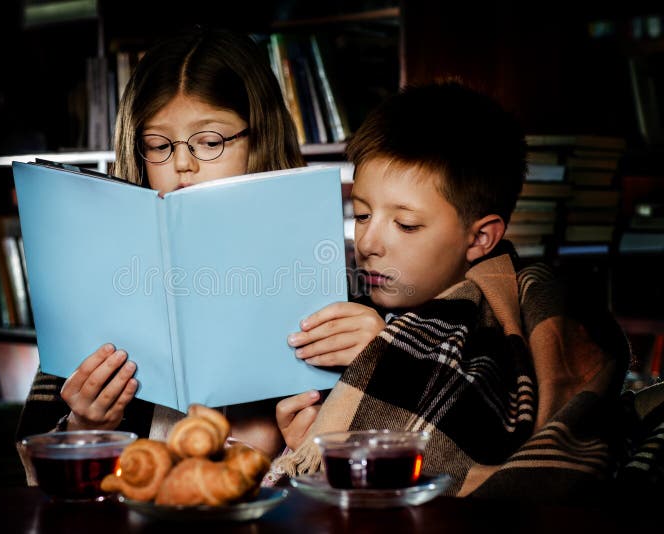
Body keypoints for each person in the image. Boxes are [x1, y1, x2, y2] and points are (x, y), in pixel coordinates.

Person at [267, 80, 633, 502]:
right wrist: (313, 440)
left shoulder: (516, 311)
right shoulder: (349, 306)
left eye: (406, 225)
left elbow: (491, 437)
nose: (368, 243)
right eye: (362, 214)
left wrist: (389, 354)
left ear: (480, 238)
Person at [15, 26, 305, 482]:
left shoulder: (317, 277)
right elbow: (34, 473)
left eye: (210, 142)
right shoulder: (102, 286)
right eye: (158, 145)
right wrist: (86, 426)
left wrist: (293, 439)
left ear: (259, 139)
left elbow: (357, 463)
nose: (182, 163)